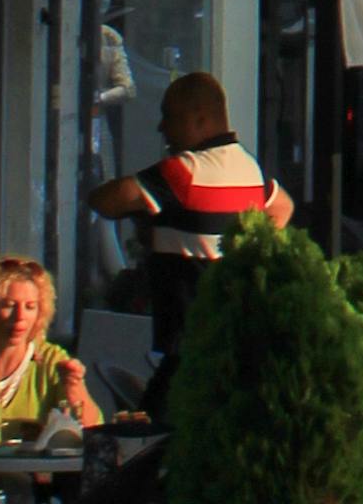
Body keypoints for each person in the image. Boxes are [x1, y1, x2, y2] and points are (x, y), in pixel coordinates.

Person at [91, 67, 289, 367]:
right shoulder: (250, 170)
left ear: (200, 119)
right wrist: (246, 251)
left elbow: (108, 202)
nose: (162, 128)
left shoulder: (182, 172)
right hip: (233, 337)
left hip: (186, 343)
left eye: (168, 116)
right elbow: (283, 207)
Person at [0, 256, 101, 451]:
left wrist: (75, 388)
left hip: (33, 478)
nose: (20, 317)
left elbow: (95, 434)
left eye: (30, 307)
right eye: (9, 305)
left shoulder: (50, 361)